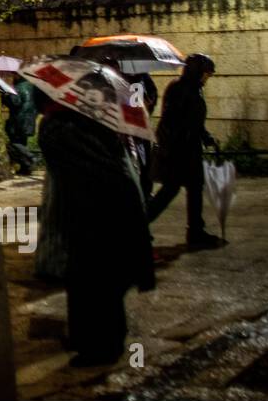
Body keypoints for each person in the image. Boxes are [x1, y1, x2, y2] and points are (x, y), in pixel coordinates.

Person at [35, 88, 155, 366]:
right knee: (105, 282)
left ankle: (97, 347)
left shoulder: (59, 129)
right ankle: (106, 341)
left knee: (91, 283)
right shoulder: (93, 121)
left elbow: (67, 171)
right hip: (115, 209)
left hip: (92, 215)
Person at [147, 54, 222, 248]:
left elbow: (195, 122)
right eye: (206, 74)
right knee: (169, 191)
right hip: (179, 152)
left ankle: (196, 231)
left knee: (194, 189)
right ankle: (139, 225)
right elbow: (175, 122)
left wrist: (205, 137)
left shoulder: (194, 90)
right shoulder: (180, 90)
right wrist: (178, 146)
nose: (207, 78)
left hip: (188, 150)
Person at [5, 75, 38, 177]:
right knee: (22, 143)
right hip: (30, 120)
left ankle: (31, 157)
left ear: (18, 77)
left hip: (18, 121)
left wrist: (5, 97)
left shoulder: (17, 88)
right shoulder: (32, 87)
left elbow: (15, 102)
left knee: (14, 143)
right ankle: (26, 167)